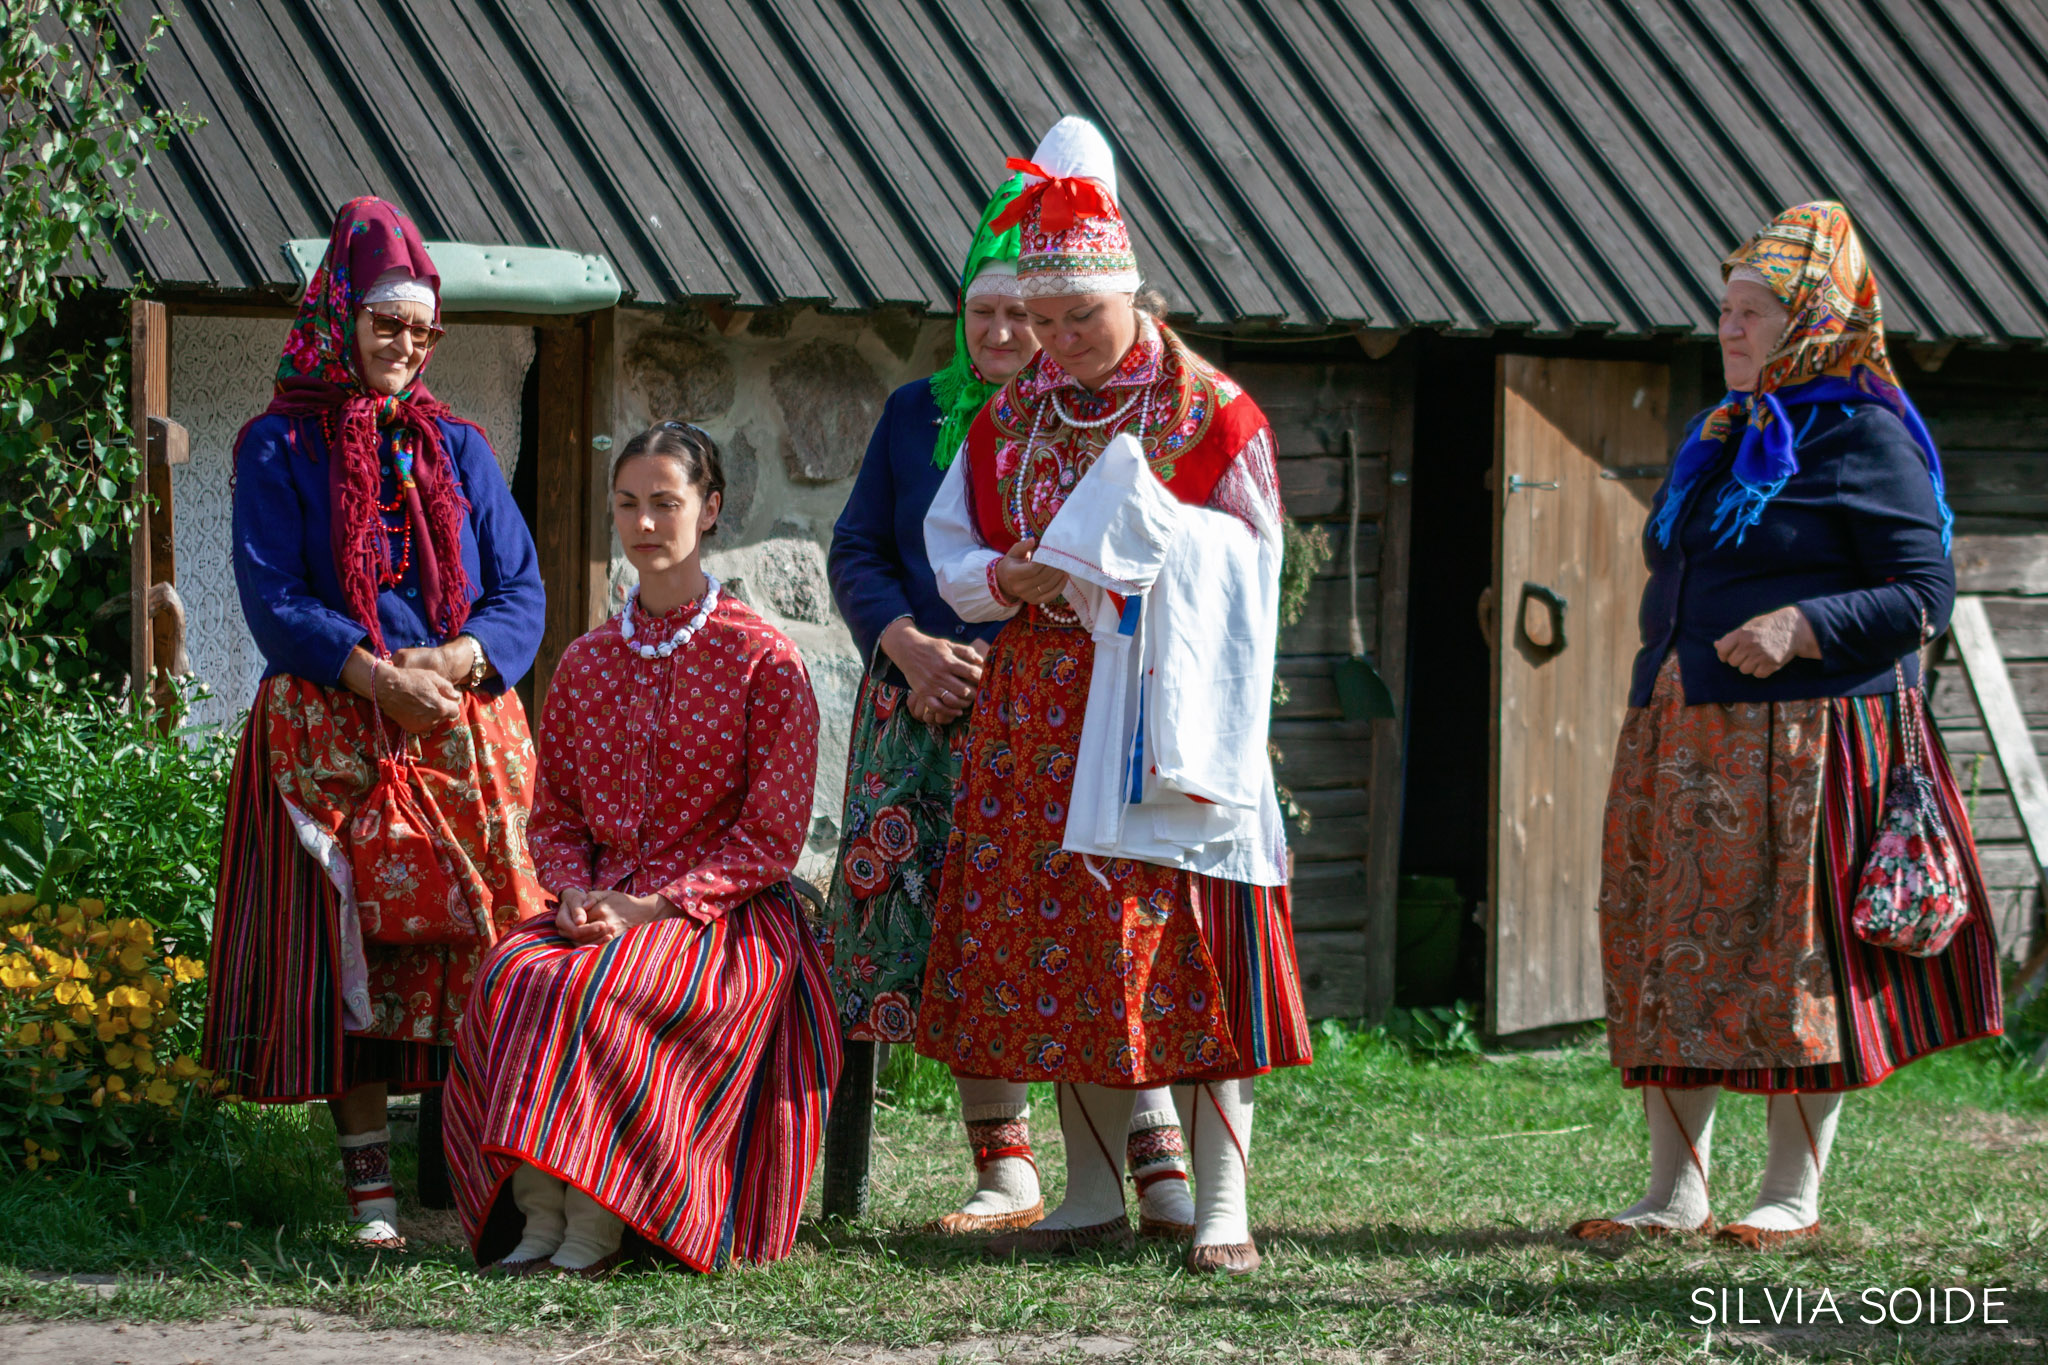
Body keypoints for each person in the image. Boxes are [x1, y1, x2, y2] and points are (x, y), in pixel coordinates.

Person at [917, 118, 1313, 1276]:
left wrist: (1148, 543)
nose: (1052, 341)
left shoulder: (1209, 411)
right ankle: (1092, 1186)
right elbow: (949, 551)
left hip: (1168, 707)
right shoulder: (1007, 417)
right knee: (1068, 943)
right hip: (1038, 714)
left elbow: (1258, 561)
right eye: (1037, 321)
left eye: (1075, 318)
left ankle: (1222, 1199)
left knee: (1191, 939)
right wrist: (1015, 575)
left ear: (1130, 295)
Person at [1571, 202, 2002, 1251]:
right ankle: (1672, 1192)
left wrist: (1803, 623)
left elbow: (1920, 593)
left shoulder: (1863, 430)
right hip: (1684, 733)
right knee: (1666, 952)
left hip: (1804, 741)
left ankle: (1788, 1193)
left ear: (1813, 318)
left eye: (1753, 312)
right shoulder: (1723, 432)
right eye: (1723, 309)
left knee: (1787, 963)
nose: (1729, 329)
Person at [824, 176, 1197, 1237]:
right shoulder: (914, 418)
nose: (997, 331)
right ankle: (1004, 1167)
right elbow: (860, 550)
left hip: (1054, 713)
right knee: (950, 928)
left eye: (1014, 314)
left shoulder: (1077, 422)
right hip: (923, 714)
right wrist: (907, 649)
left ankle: (1149, 1154)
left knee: (1094, 920)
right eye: (979, 313)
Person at [205, 197, 548, 1250]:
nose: (403, 344)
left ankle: (474, 1178)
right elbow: (274, 600)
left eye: (419, 328)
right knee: (348, 951)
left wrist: (448, 662)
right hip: (330, 727)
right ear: (339, 316)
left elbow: (519, 590)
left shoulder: (459, 449)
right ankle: (370, 1202)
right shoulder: (275, 448)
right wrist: (376, 679)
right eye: (384, 322)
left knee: (479, 946)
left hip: (456, 722)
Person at [444, 423, 838, 1277]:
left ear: (711, 509)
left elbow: (771, 836)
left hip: (726, 915)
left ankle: (602, 1217)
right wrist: (578, 892)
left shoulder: (762, 657)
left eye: (666, 502)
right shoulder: (587, 661)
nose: (645, 522)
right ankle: (537, 1208)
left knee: (605, 985)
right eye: (629, 504)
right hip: (600, 901)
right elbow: (552, 817)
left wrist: (656, 904)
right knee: (516, 971)